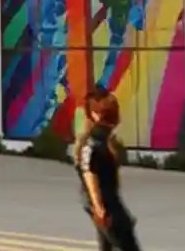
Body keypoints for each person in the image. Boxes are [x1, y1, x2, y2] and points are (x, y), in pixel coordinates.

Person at [76, 87, 139, 251]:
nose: (115, 118)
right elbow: (89, 173)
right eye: (108, 114)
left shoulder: (103, 138)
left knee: (107, 245)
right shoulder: (94, 141)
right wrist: (99, 208)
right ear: (95, 115)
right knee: (127, 243)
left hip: (107, 199)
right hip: (104, 202)